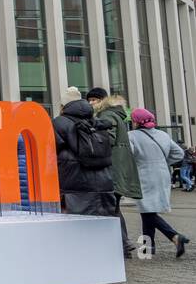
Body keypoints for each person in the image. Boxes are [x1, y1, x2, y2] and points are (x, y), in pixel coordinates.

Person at [53, 98, 130, 257]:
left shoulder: (59, 122)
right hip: (103, 180)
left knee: (77, 223)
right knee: (103, 220)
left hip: (75, 180)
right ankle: (112, 251)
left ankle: (82, 256)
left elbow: (53, 147)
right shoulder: (96, 122)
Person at [128, 107, 190, 258]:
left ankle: (175, 236)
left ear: (135, 121)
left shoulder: (132, 135)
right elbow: (179, 153)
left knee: (146, 210)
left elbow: (128, 156)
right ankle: (148, 248)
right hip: (163, 173)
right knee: (148, 211)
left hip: (144, 175)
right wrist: (162, 162)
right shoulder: (162, 134)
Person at [88, 89, 138, 254]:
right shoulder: (114, 115)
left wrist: (91, 136)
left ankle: (123, 244)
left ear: (103, 100)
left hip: (112, 169)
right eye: (89, 100)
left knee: (110, 207)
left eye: (94, 99)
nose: (91, 103)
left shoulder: (106, 116)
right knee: (114, 207)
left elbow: (107, 139)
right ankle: (124, 245)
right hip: (117, 168)